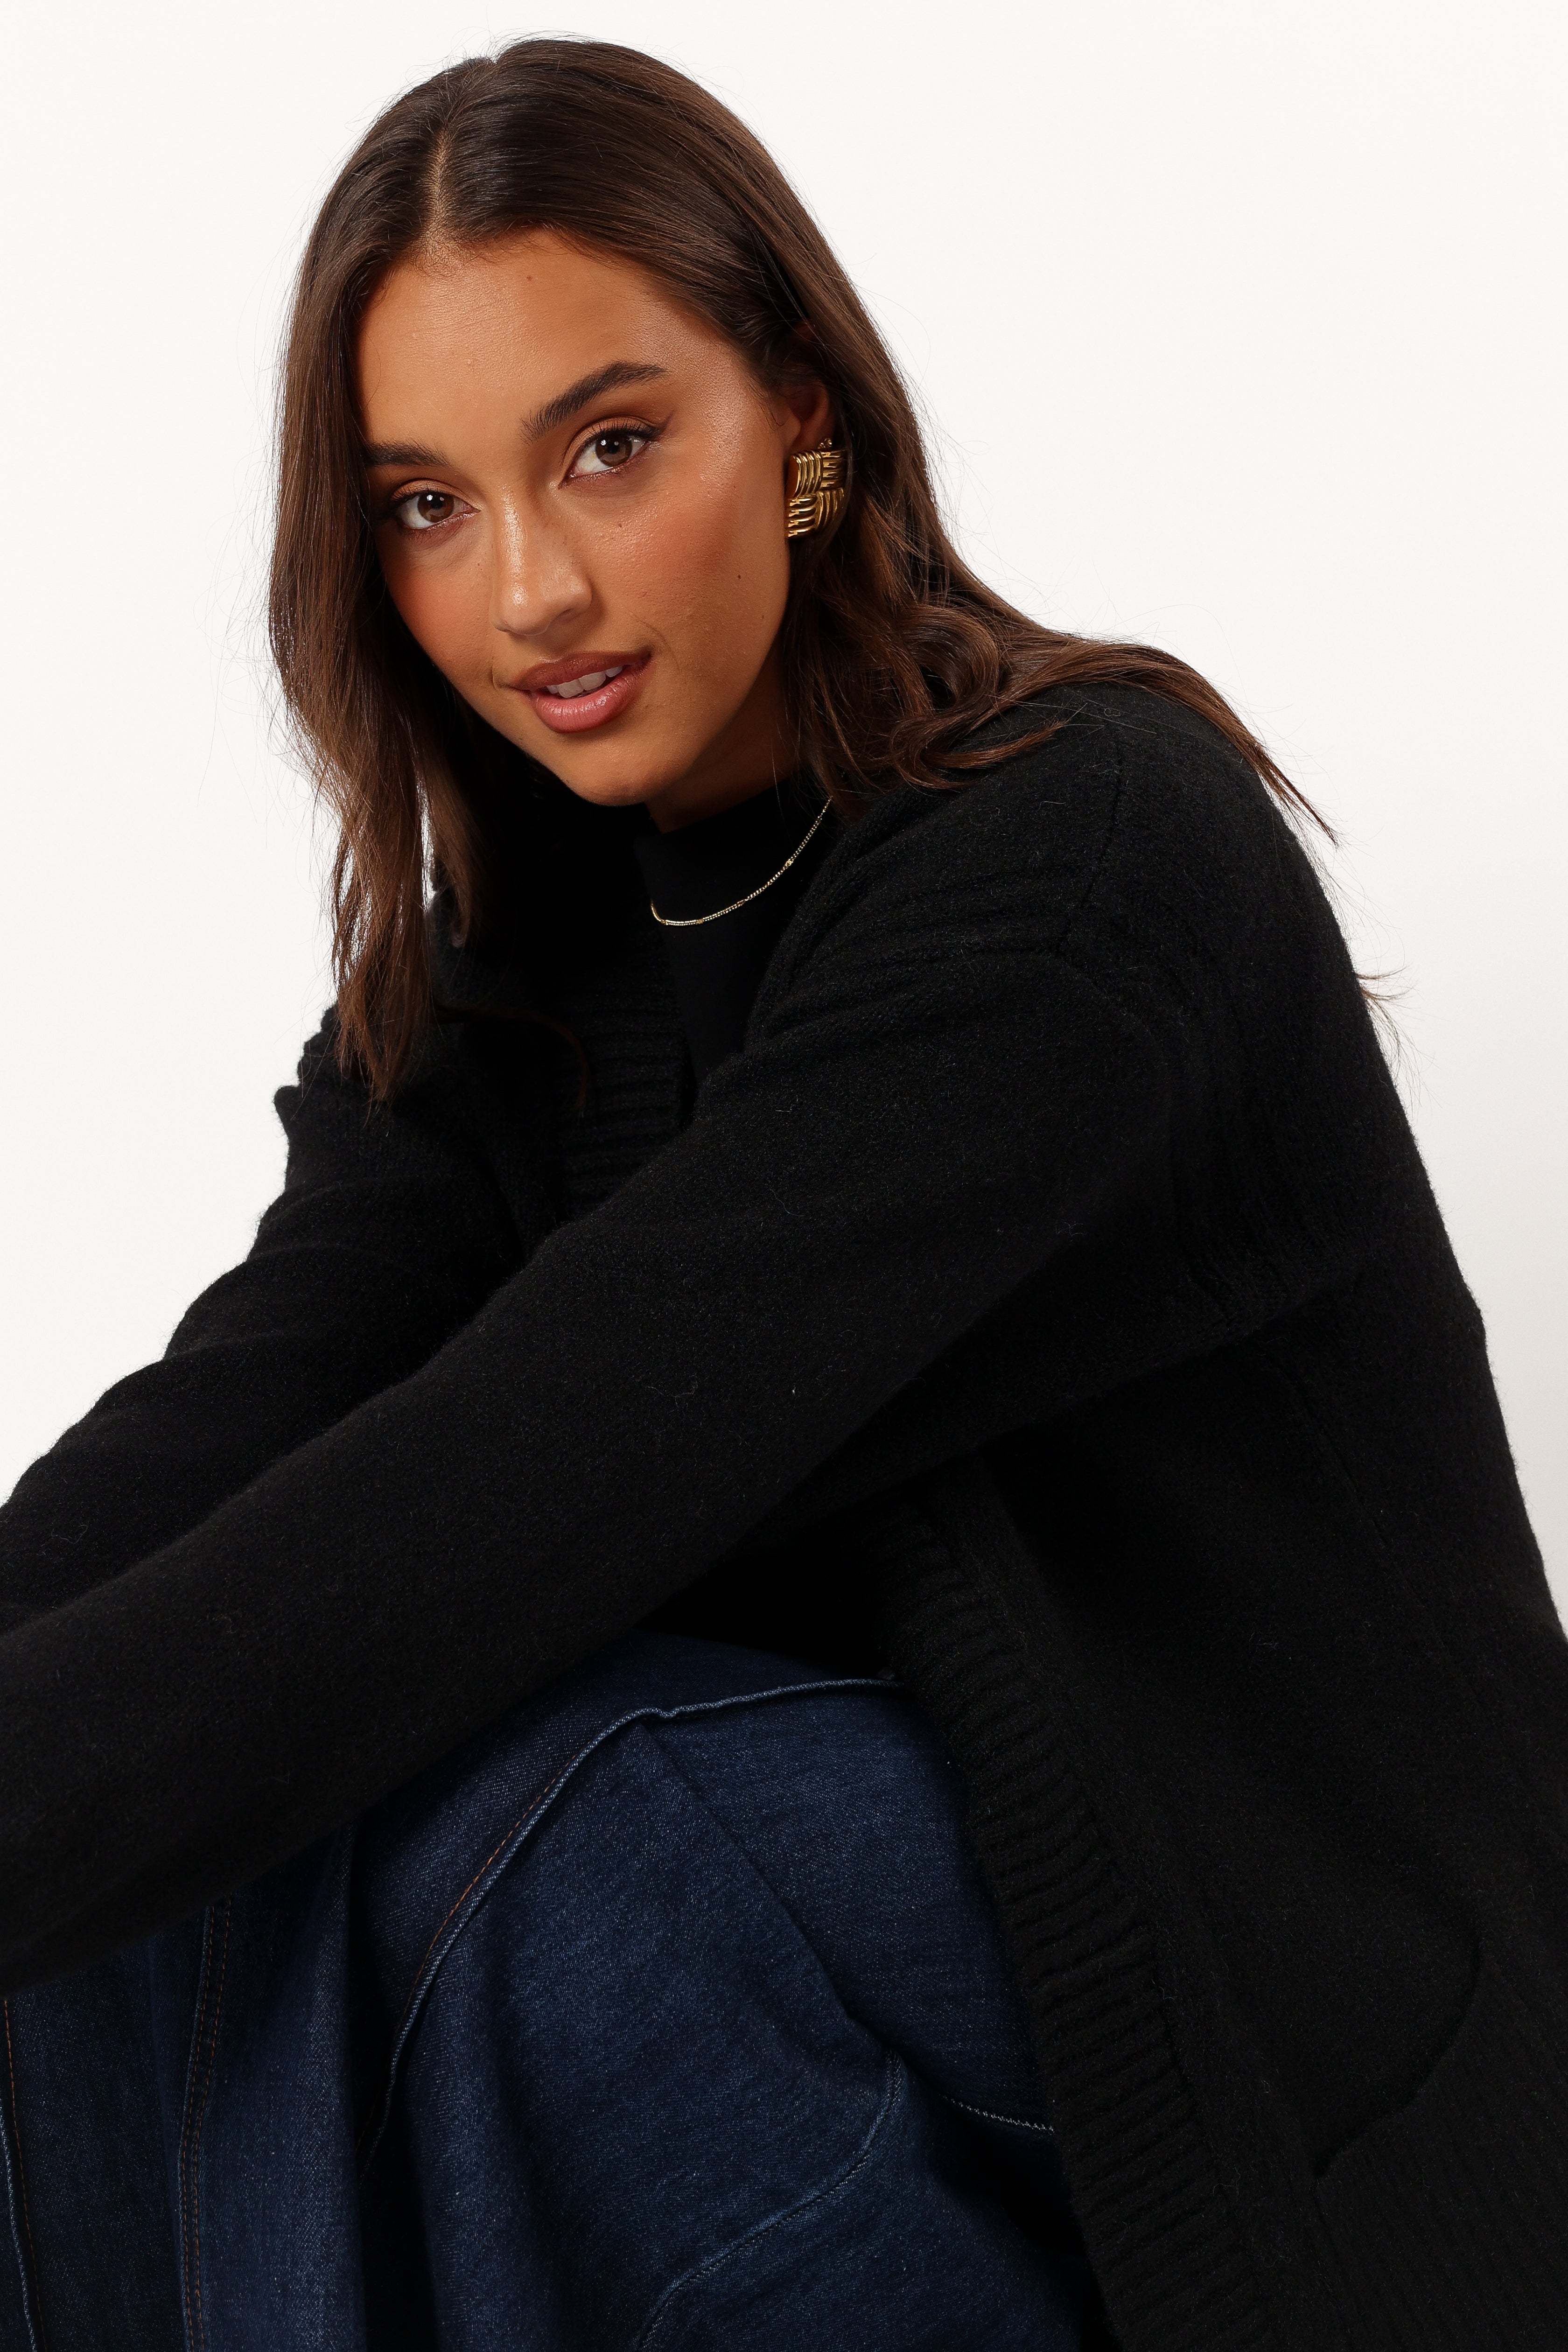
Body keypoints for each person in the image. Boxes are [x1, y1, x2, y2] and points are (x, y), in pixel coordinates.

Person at [2, 34, 1566, 2352]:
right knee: (139, 1872)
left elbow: (511, 1491)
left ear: (804, 420)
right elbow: (233, 1431)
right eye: (424, 503)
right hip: (897, 1908)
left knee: (568, 1835)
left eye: (611, 448)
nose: (531, 589)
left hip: (1290, 1998)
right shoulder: (514, 967)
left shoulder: (1080, 862)